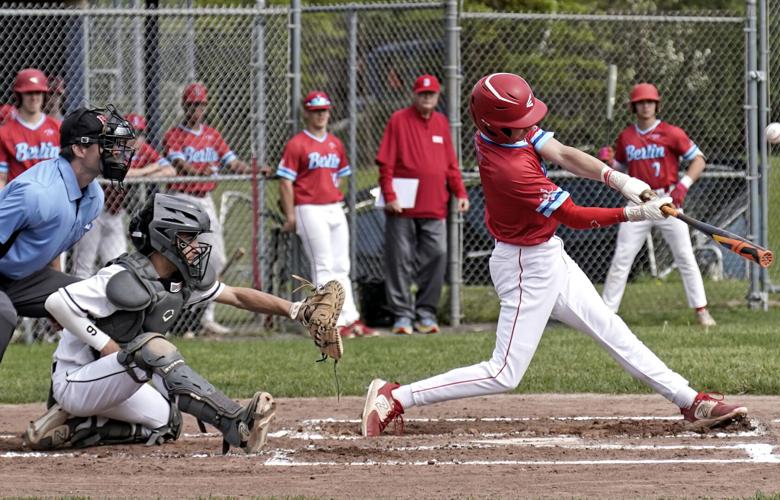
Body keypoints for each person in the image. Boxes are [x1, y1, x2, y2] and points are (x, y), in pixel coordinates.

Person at [360, 73, 747, 437]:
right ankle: (395, 397)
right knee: (504, 373)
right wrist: (634, 211)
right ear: (496, 124)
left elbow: (562, 152)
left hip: (547, 255)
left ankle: (689, 400)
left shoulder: (504, 132)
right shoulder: (511, 169)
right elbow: (575, 217)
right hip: (524, 266)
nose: (530, 126)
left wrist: (622, 180)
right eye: (522, 120)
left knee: (612, 328)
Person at [23, 193, 344, 453]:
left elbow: (236, 296)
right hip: (74, 381)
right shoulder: (121, 277)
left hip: (112, 377)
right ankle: (236, 423)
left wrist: (296, 310)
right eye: (189, 239)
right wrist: (104, 343)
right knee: (153, 348)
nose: (197, 248)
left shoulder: (177, 281)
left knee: (168, 423)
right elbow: (57, 302)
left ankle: (80, 426)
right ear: (167, 239)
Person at [0, 106, 135, 363]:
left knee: (93, 299)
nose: (117, 152)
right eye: (107, 144)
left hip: (19, 278)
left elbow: (51, 245)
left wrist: (60, 303)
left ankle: (72, 394)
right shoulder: (37, 193)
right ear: (79, 148)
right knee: (3, 313)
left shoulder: (94, 196)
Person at [600, 83, 716, 327]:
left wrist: (683, 184)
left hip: (666, 201)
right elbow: (620, 169)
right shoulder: (626, 137)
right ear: (634, 106)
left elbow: (698, 159)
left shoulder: (671, 132)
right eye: (641, 102)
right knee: (623, 257)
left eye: (650, 101)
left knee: (684, 255)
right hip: (637, 200)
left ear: (656, 104)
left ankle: (701, 310)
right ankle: (606, 316)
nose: (646, 106)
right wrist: (607, 163)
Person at [278, 91, 378, 338]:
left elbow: (341, 175)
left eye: (324, 110)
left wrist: (333, 191)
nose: (321, 114)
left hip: (333, 206)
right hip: (309, 208)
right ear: (307, 113)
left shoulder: (335, 142)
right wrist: (290, 215)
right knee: (322, 266)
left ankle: (351, 319)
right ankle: (329, 321)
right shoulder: (297, 143)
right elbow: (285, 181)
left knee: (341, 265)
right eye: (316, 110)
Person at [376, 74, 470, 335]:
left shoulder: (441, 123)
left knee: (437, 255)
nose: (427, 98)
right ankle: (402, 315)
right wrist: (390, 194)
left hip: (434, 205)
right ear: (414, 95)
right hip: (402, 206)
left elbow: (451, 165)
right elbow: (386, 162)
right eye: (422, 94)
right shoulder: (398, 119)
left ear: (438, 96)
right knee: (400, 260)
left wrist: (460, 192)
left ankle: (426, 313)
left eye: (431, 94)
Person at [164, 82, 251, 336]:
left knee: (217, 258)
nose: (196, 109)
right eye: (192, 104)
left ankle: (206, 318)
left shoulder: (213, 135)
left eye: (200, 105)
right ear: (184, 105)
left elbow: (232, 162)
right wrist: (197, 171)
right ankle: (174, 318)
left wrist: (253, 170)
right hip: (180, 198)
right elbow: (179, 164)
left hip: (204, 199)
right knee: (180, 260)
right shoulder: (174, 134)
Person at [71, 113, 176, 278]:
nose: (135, 138)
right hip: (93, 213)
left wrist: (142, 173)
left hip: (115, 214)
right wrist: (149, 170)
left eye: (140, 134)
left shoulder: (144, 150)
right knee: (84, 267)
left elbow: (170, 171)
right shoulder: (111, 146)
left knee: (117, 268)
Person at [0, 68, 61, 189]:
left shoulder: (57, 127)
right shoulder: (5, 133)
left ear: (44, 94)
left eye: (37, 92)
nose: (34, 98)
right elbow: (1, 177)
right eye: (28, 93)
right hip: (21, 197)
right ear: (19, 95)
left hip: (53, 195)